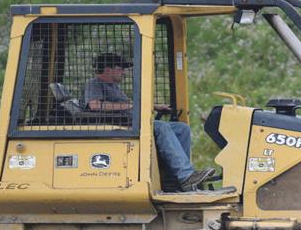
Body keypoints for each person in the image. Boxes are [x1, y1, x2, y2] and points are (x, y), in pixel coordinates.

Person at [84, 52, 219, 192]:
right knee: (161, 127)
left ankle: (177, 179)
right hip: (119, 126)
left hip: (132, 123)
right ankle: (185, 176)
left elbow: (126, 105)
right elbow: (94, 105)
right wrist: (131, 106)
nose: (124, 72)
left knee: (181, 128)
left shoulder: (114, 87)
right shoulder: (94, 84)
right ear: (108, 69)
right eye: (121, 68)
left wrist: (153, 106)